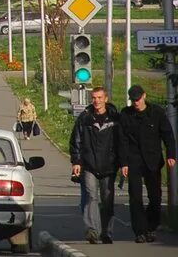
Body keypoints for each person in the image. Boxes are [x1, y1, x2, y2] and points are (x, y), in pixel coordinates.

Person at [119, 84, 177, 243]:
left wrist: (171, 154)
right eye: (133, 100)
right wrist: (123, 162)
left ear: (144, 96)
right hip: (134, 160)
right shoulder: (126, 114)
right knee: (135, 197)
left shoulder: (156, 112)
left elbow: (167, 134)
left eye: (137, 99)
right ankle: (140, 231)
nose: (135, 103)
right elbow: (122, 140)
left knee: (155, 196)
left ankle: (151, 226)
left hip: (153, 159)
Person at [69, 86, 121, 244]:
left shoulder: (115, 119)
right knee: (91, 197)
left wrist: (122, 162)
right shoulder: (85, 118)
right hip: (89, 165)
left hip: (108, 165)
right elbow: (75, 140)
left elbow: (121, 142)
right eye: (94, 98)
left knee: (107, 200)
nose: (96, 101)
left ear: (106, 99)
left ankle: (106, 232)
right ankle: (92, 231)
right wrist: (77, 161)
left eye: (99, 98)